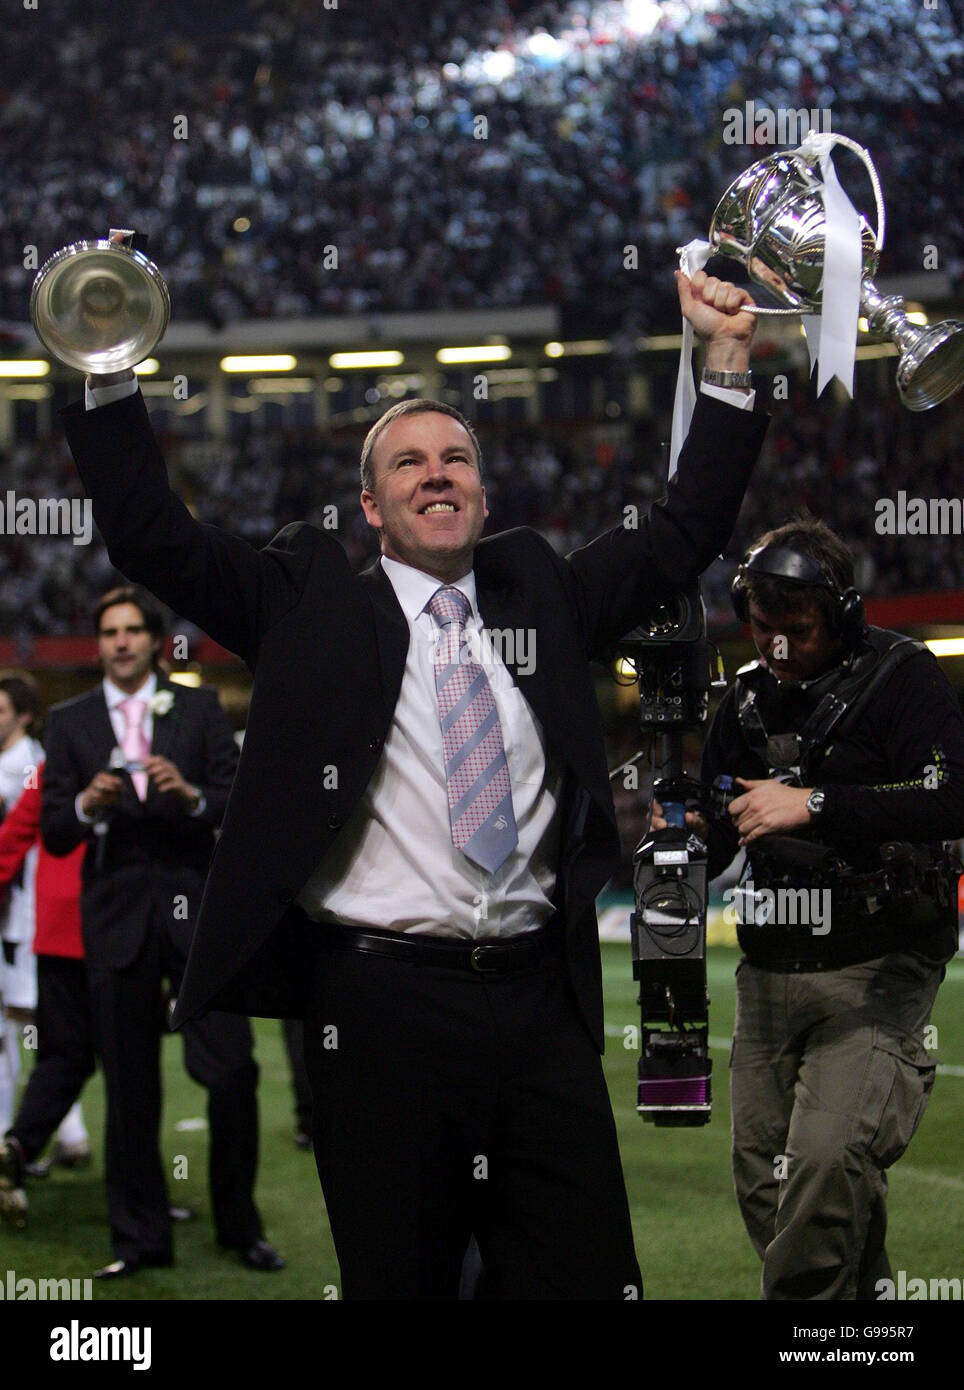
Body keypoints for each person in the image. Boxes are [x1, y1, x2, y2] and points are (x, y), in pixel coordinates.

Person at [59, 270, 768, 1299]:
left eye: (456, 459)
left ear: (482, 491)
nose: (436, 475)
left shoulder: (546, 591)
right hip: (377, 1011)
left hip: (539, 1009)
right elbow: (149, 532)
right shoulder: (303, 601)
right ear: (371, 505)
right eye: (408, 462)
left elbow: (681, 531)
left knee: (587, 1280)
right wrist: (107, 357)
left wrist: (728, 357)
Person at [653, 514, 964, 1300]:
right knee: (769, 1182)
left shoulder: (904, 677)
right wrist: (688, 831)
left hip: (879, 963)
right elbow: (723, 842)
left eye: (797, 630)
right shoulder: (743, 703)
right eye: (763, 630)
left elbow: (950, 795)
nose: (778, 648)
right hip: (769, 966)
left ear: (844, 616)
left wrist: (815, 804)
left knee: (826, 1160)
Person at [40, 586, 284, 1278]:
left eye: (132, 630)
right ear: (101, 644)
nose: (120, 641)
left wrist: (192, 796)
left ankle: (241, 1229)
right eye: (109, 631)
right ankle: (140, 1241)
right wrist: (87, 804)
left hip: (199, 919)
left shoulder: (201, 707)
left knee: (233, 1071)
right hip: (116, 922)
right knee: (129, 1089)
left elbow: (238, 806)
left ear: (155, 641)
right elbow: (56, 830)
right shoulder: (68, 722)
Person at [0, 764, 91, 1230]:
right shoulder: (53, 767)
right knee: (128, 1067)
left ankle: (17, 1148)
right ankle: (140, 1198)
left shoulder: (48, 764)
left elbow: (12, 837)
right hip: (112, 931)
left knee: (60, 1055)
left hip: (54, 932)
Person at [0, 673, 45, 1138]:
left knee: (20, 1022)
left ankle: (10, 1133)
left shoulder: (22, 766)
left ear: (25, 716)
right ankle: (68, 1131)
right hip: (18, 912)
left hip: (22, 912)